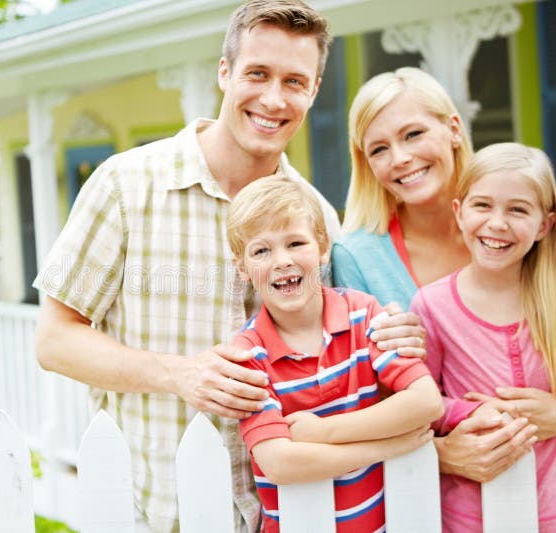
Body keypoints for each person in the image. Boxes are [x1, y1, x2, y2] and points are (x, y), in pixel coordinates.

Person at [33, 2, 427, 531]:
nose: (272, 98)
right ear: (224, 73)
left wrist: (396, 331)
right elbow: (54, 341)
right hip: (158, 513)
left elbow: (348, 352)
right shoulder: (126, 186)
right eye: (257, 74)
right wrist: (179, 374)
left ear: (313, 92)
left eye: (294, 81)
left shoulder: (318, 224)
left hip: (286, 513)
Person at [330, 67, 538, 484]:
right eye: (379, 149)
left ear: (454, 129)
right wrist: (441, 454)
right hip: (420, 496)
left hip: (536, 478)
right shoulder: (355, 255)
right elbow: (361, 399)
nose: (400, 159)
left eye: (413, 134)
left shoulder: (513, 226)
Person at [227, 176, 442, 532]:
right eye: (261, 251)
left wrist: (323, 431)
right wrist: (383, 447)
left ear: (323, 246)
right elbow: (281, 463)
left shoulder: (362, 314)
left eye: (295, 243)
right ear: (242, 268)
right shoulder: (248, 355)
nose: (282, 261)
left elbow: (426, 402)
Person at [410, 142, 556, 532]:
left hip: (555, 512)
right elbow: (419, 402)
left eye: (517, 209)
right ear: (459, 214)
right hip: (466, 515)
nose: (497, 223)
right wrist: (470, 411)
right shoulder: (432, 305)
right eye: (483, 206)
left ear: (544, 225)